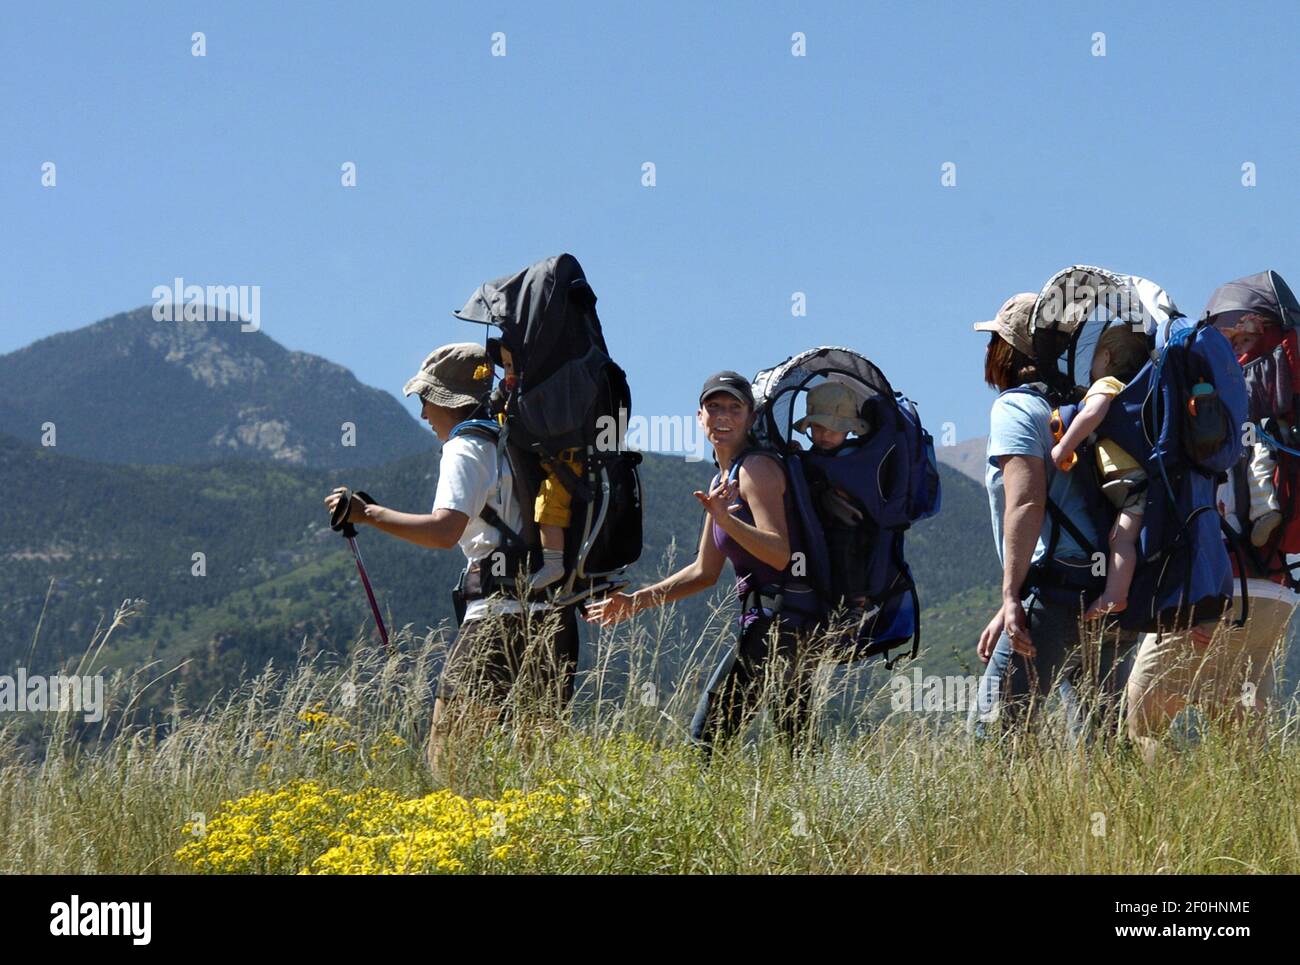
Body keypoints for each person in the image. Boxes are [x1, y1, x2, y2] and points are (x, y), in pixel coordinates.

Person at [324, 342, 579, 781]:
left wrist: (368, 514)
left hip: (498, 617)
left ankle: (459, 846)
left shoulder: (466, 448)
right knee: (538, 771)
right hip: (554, 616)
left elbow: (444, 532)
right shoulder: (519, 443)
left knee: (449, 762)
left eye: (426, 400)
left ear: (447, 401)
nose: (423, 414)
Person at [585, 371, 822, 753]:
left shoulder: (755, 470)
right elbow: (703, 573)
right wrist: (634, 603)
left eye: (734, 407)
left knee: (708, 739)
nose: (723, 416)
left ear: (752, 417)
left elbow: (780, 553)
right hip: (777, 620)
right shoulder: (723, 481)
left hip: (781, 617)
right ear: (700, 417)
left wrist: (728, 520)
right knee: (798, 743)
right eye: (714, 407)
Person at [1125, 299, 1298, 761]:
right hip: (1278, 595)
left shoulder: (1198, 413)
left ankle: (1162, 830)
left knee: (1145, 728)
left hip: (1215, 591)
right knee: (1246, 752)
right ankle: (1266, 832)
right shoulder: (1275, 414)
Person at [967, 294, 1134, 738]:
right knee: (1102, 740)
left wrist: (1011, 598)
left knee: (994, 734)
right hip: (1114, 592)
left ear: (1007, 351)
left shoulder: (1016, 408)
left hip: (1060, 589)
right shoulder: (1085, 405)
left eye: (994, 342)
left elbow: (1026, 502)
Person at [1048, 325, 1149, 618]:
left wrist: (1064, 447)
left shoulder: (1107, 385)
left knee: (1121, 540)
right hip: (1131, 486)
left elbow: (1092, 413)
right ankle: (1117, 592)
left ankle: (1115, 596)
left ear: (1105, 357)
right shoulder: (1131, 392)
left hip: (1133, 484)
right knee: (1121, 538)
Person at [493, 342, 581, 591]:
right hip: (559, 463)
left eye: (511, 364)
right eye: (505, 365)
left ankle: (554, 565)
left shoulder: (537, 394)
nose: (507, 370)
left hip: (566, 465)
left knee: (547, 504)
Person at [793, 381, 872, 619]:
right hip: (819, 531)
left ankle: (855, 605)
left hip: (850, 530)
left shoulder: (854, 460)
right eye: (817, 427)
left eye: (834, 428)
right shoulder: (813, 457)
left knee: (844, 545)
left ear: (849, 430)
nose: (825, 434)